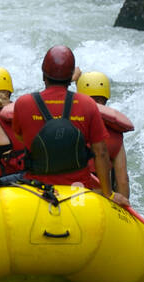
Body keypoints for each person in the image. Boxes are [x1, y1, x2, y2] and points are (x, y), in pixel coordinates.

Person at [10, 46, 113, 199]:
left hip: (36, 190)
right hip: (78, 188)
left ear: (43, 75)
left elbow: (21, 138)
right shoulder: (87, 104)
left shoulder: (24, 103)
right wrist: (108, 195)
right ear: (71, 76)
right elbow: (101, 153)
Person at [76, 71, 134, 200]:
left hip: (71, 195)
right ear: (106, 96)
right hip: (102, 198)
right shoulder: (115, 133)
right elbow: (122, 180)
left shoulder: (70, 123)